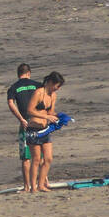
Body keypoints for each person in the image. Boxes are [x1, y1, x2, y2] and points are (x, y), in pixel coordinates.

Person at [26, 72, 65, 193]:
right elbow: (30, 110)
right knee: (36, 159)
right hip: (33, 129)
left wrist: (59, 116)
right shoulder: (39, 92)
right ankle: (33, 187)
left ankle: (41, 184)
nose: (57, 89)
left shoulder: (53, 95)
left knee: (48, 158)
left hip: (45, 129)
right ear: (51, 83)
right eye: (57, 86)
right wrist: (46, 117)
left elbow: (51, 112)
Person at [6, 64, 40, 193]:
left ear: (18, 74)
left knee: (26, 157)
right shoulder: (37, 85)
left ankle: (27, 186)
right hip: (38, 123)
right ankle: (41, 183)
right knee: (39, 155)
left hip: (25, 124)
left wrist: (21, 118)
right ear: (29, 73)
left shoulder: (14, 87)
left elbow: (10, 103)